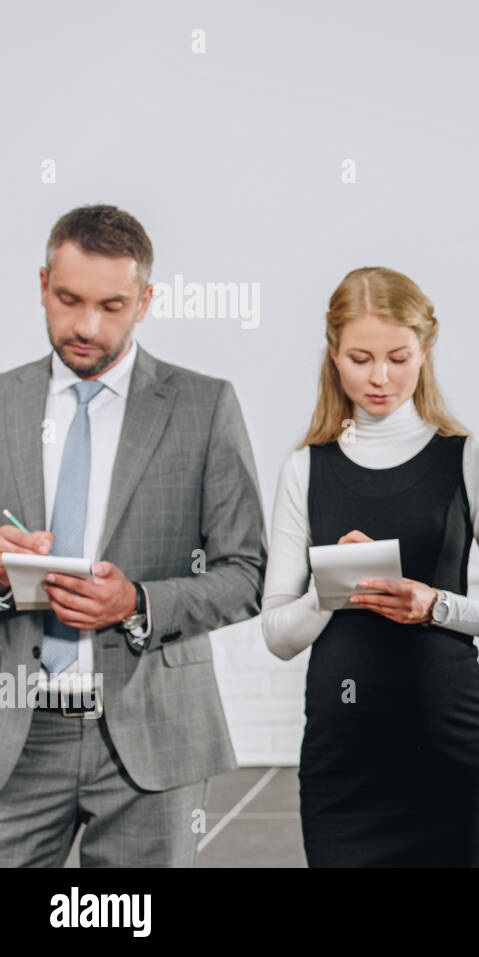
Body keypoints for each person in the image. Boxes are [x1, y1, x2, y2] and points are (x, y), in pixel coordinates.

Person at [0, 205, 266, 866]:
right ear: (40, 285)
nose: (86, 326)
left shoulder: (204, 406)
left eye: (112, 305)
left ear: (146, 300)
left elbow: (248, 571)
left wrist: (138, 604)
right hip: (16, 739)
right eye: (68, 300)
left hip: (156, 735)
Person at [261, 266, 479, 867]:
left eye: (399, 357)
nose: (380, 377)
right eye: (360, 357)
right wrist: (333, 586)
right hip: (342, 764)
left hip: (450, 752)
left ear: (425, 350)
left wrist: (435, 605)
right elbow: (276, 636)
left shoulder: (469, 459)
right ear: (333, 354)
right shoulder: (304, 469)